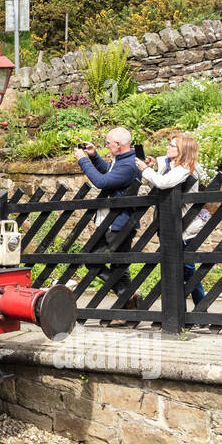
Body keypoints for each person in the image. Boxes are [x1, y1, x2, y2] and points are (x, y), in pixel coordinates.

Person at [73, 126, 141, 312]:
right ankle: (129, 299)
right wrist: (94, 156)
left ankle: (128, 303)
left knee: (112, 264)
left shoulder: (128, 165)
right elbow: (110, 174)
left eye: (108, 143)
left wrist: (82, 160)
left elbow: (102, 182)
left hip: (120, 222)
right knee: (107, 262)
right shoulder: (124, 160)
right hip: (114, 221)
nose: (106, 145)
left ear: (118, 144)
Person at [136, 133, 207, 308]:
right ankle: (181, 310)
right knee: (173, 270)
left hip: (183, 227)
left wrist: (145, 170)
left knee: (187, 270)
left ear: (183, 150)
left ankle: (201, 310)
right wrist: (152, 167)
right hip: (169, 224)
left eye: (172, 145)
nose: (167, 147)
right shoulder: (172, 166)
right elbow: (158, 186)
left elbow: (163, 183)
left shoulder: (185, 169)